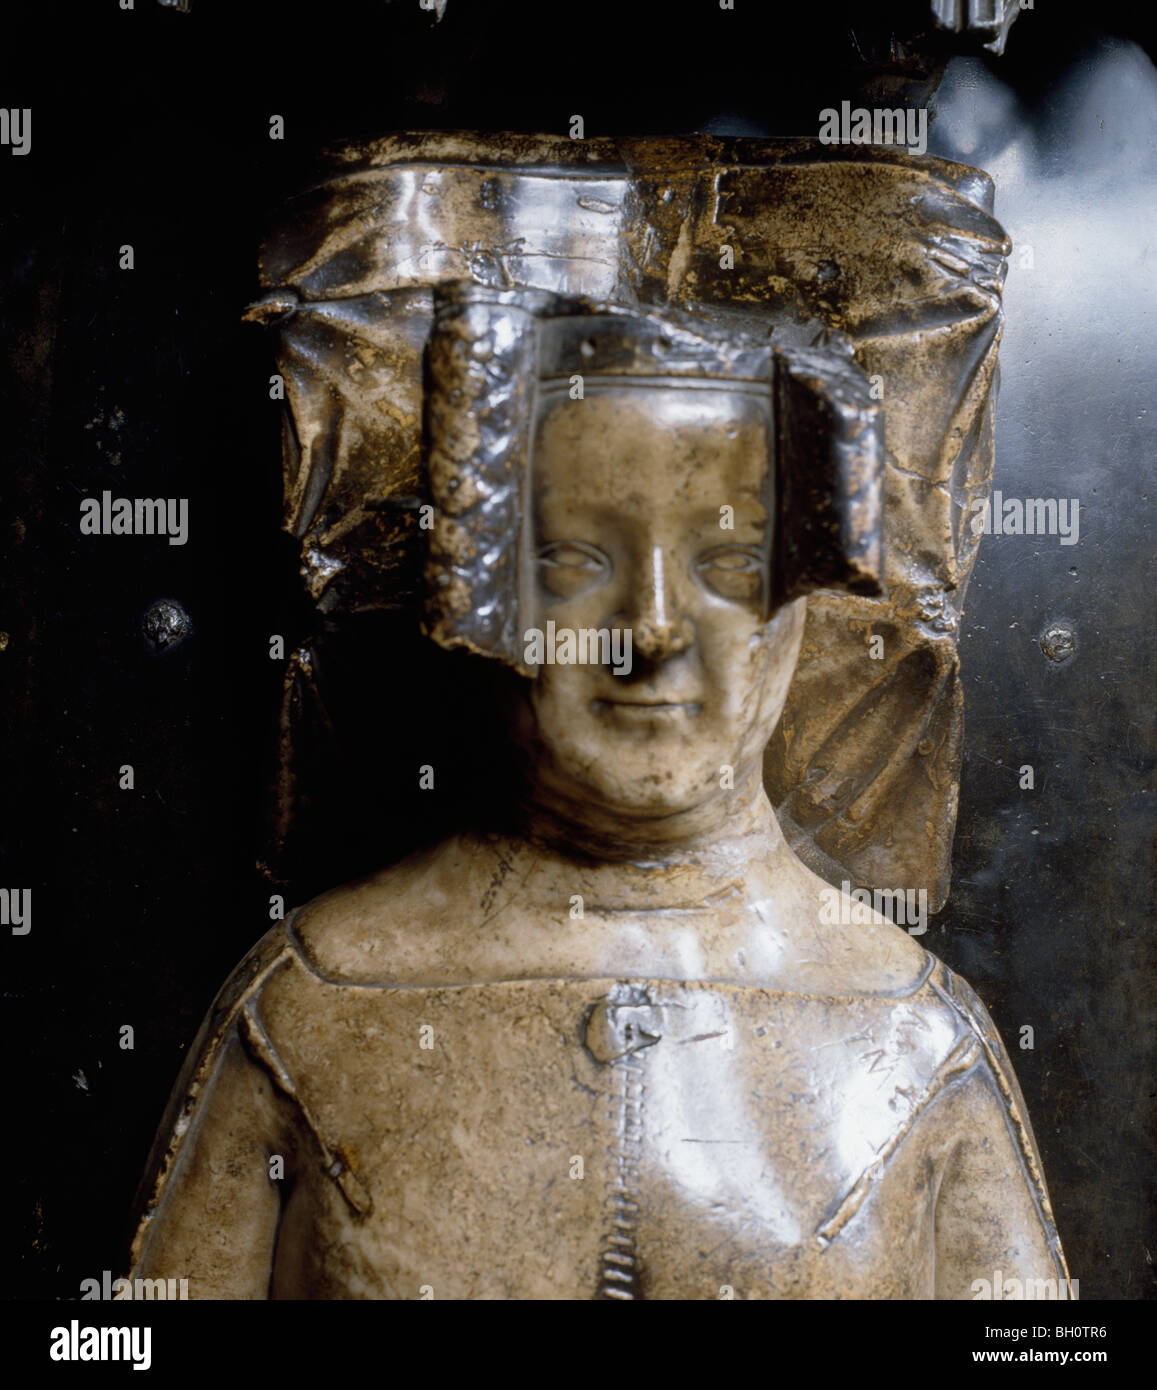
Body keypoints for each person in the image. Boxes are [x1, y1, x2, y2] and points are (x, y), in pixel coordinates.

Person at [129, 291, 1069, 1300]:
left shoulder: (911, 1043)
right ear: (481, 597)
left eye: (726, 562)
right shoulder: (309, 1011)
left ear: (803, 594)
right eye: (575, 559)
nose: (653, 627)